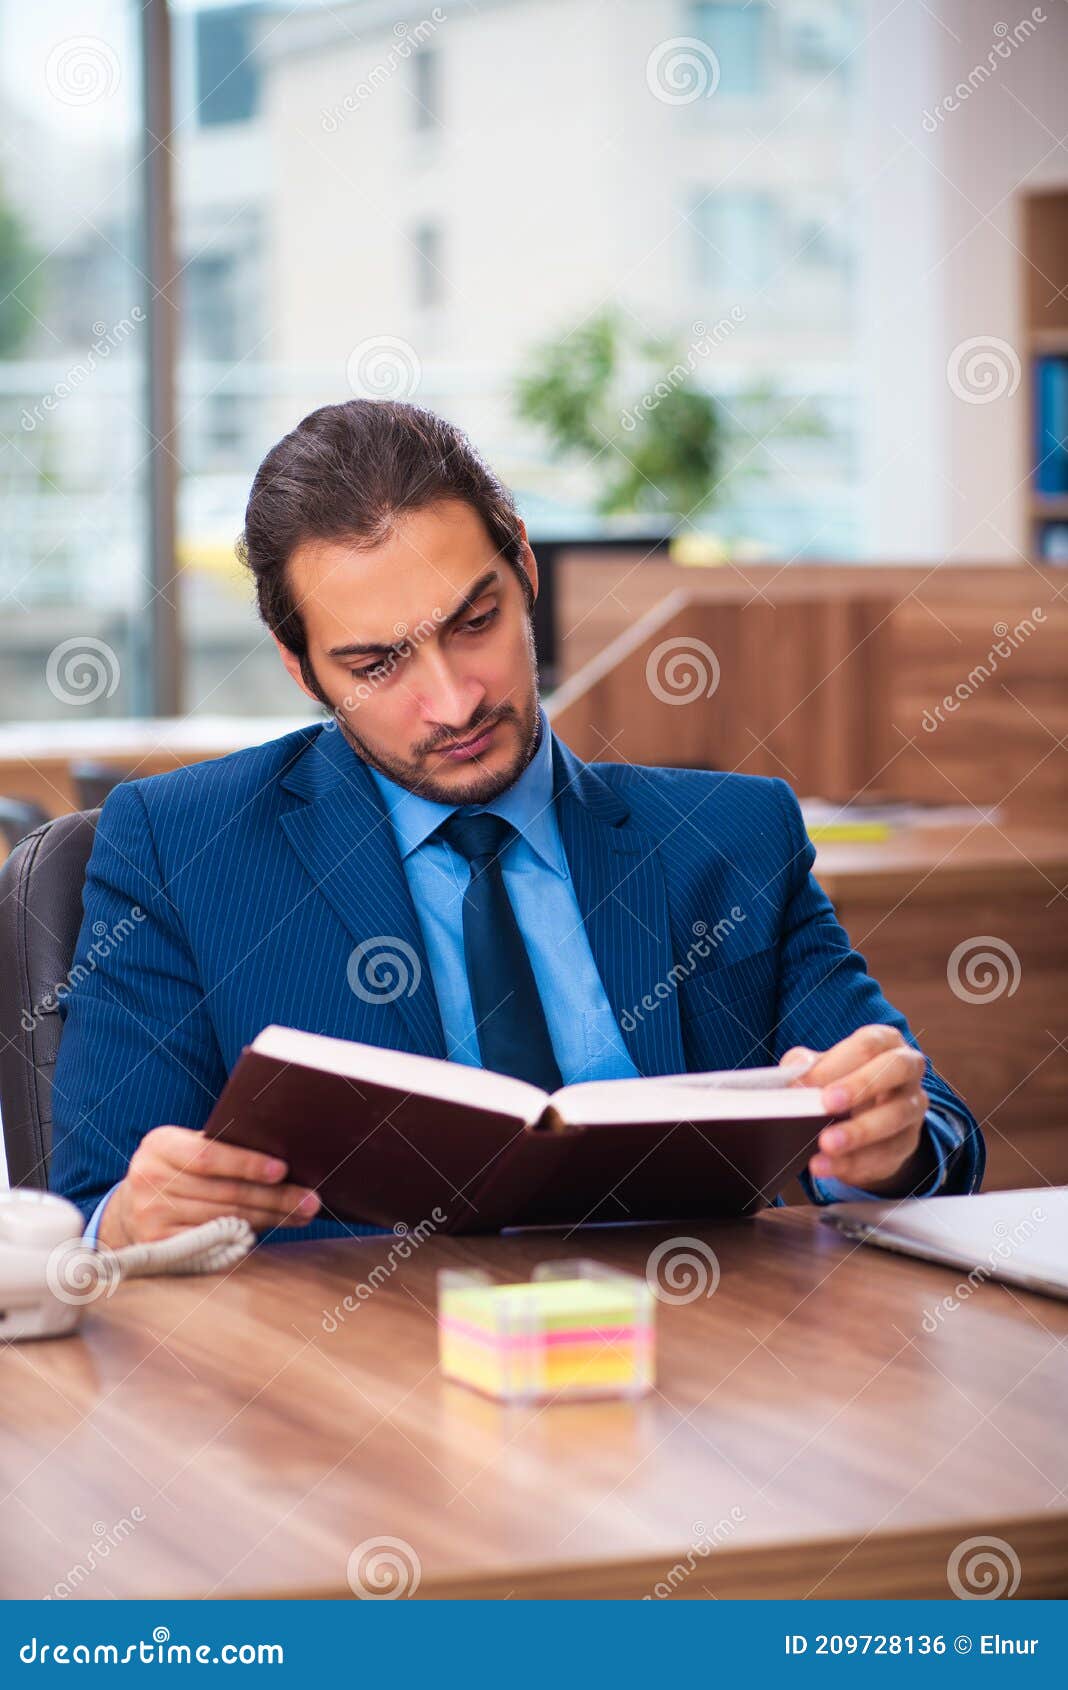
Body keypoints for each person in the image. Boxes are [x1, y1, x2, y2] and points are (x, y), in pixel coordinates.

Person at [49, 400, 984, 1246]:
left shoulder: (735, 839)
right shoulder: (180, 848)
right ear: (304, 672)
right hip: (357, 1369)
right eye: (377, 666)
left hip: (694, 1350)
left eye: (474, 622)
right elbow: (92, 1210)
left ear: (526, 570)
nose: (454, 702)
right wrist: (129, 1221)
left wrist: (889, 1143)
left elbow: (934, 1131)